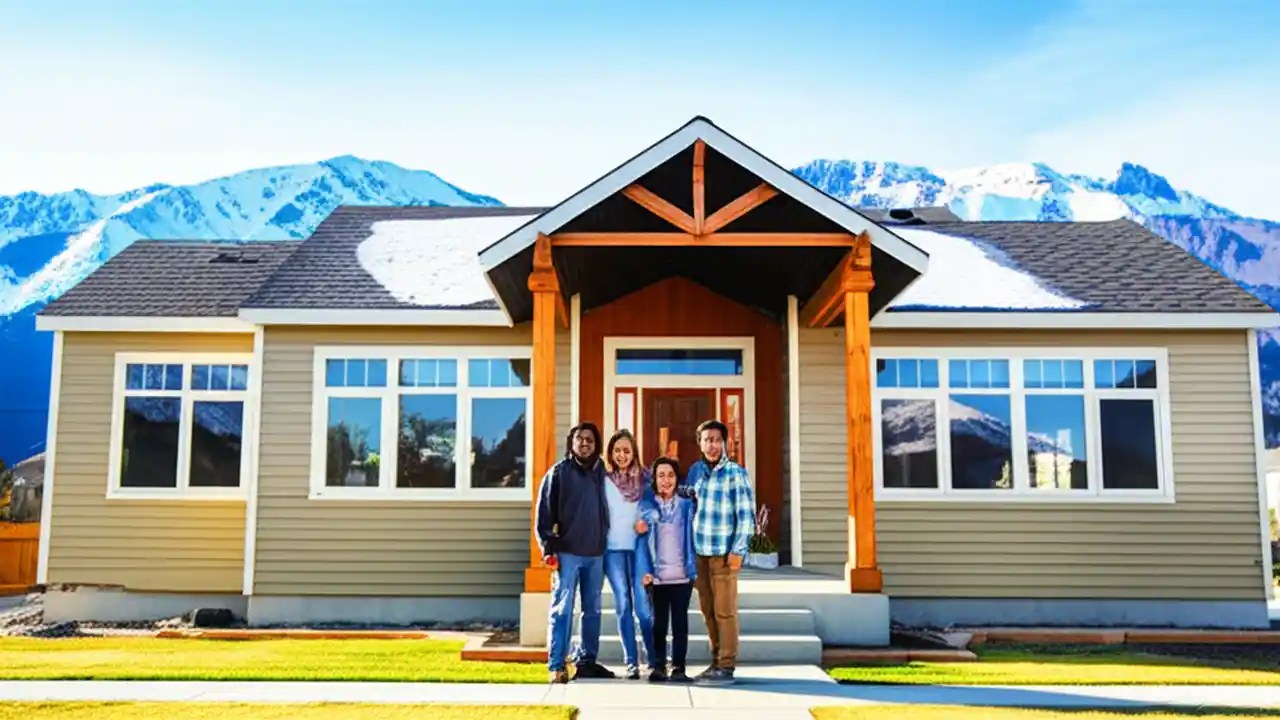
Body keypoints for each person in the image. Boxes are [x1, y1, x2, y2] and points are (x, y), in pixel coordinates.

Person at [535, 422, 615, 684]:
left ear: (596, 444)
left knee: (592, 610)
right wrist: (548, 548)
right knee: (562, 609)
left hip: (596, 554)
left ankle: (587, 662)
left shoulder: (604, 473)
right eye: (580, 439)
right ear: (572, 443)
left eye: (590, 440)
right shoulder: (558, 473)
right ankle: (557, 665)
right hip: (567, 554)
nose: (584, 443)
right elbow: (544, 517)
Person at [684, 419, 755, 686]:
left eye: (716, 440)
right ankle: (715, 661)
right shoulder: (695, 472)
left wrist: (738, 551)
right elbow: (686, 505)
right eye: (706, 440)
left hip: (724, 554)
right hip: (699, 554)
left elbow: (746, 516)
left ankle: (726, 665)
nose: (711, 445)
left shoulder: (736, 473)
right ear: (700, 443)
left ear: (724, 443)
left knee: (724, 611)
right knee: (708, 610)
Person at [602, 430, 659, 680]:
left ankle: (654, 658)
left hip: (639, 550)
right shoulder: (603, 481)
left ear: (634, 452)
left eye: (626, 450)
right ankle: (631, 662)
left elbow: (656, 510)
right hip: (612, 550)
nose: (622, 455)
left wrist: (647, 521)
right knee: (623, 605)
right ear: (611, 454)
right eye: (617, 450)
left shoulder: (646, 479)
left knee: (643, 608)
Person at [637, 456, 697, 684]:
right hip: (656, 577)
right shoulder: (646, 506)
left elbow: (692, 537)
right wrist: (644, 570)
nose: (666, 480)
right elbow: (640, 542)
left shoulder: (687, 505)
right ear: (654, 479)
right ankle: (659, 666)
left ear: (677, 479)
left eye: (670, 475)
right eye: (661, 475)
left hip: (682, 575)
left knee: (680, 624)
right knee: (658, 624)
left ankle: (679, 668)